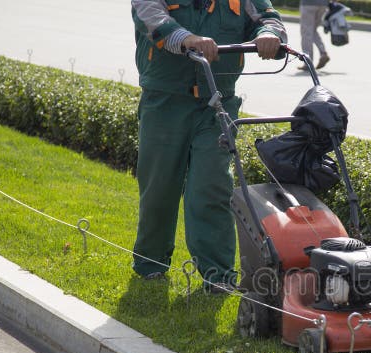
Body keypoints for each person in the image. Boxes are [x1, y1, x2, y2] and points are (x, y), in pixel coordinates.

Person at [130, 0, 287, 291]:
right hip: (165, 100)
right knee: (159, 186)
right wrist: (187, 39)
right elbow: (149, 15)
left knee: (211, 185)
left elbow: (268, 18)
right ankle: (150, 264)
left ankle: (218, 276)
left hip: (218, 102)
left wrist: (269, 35)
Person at [299, 0, 330, 70]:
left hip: (308, 4)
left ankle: (308, 61)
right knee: (312, 30)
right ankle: (323, 53)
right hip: (323, 4)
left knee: (306, 32)